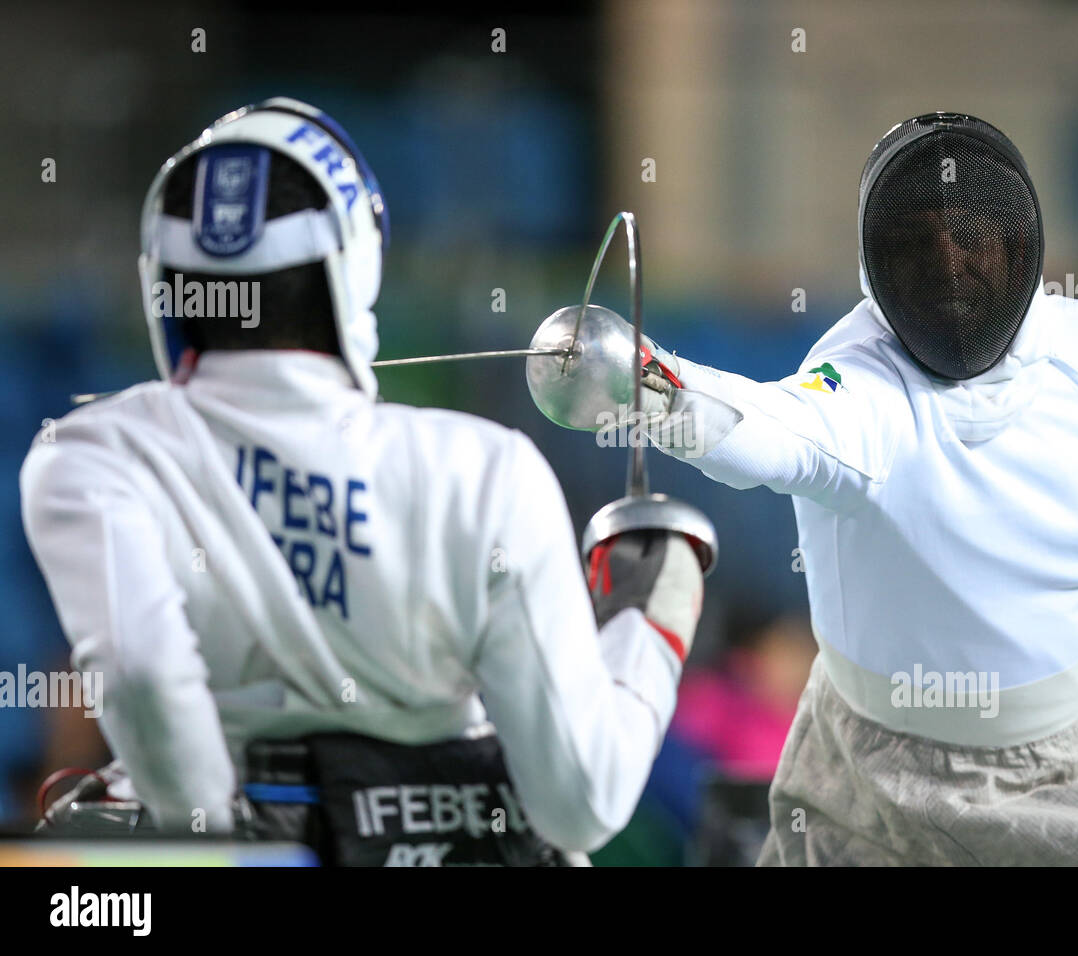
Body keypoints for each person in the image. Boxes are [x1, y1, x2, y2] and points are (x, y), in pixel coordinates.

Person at [535, 112, 1078, 865]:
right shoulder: (860, 385)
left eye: (969, 236)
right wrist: (649, 386)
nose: (948, 263)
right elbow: (763, 430)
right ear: (878, 269)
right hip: (894, 790)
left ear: (1019, 243)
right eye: (916, 245)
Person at [20, 98, 706, 866]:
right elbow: (581, 801)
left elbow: (144, 678)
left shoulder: (91, 454)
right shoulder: (486, 469)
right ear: (357, 264)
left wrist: (213, 838)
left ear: (165, 281)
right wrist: (650, 615)